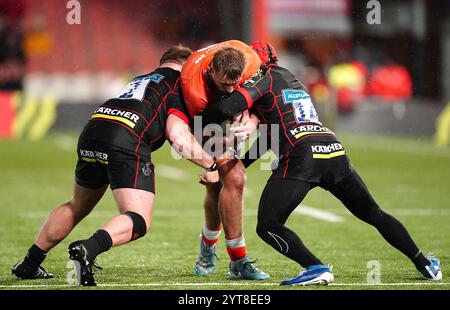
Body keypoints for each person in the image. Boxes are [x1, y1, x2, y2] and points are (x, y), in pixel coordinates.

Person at [200, 41, 442, 285]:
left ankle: (315, 267)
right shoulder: (294, 81)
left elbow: (227, 108)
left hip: (303, 154)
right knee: (373, 213)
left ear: (253, 63)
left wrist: (197, 112)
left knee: (268, 226)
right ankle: (426, 264)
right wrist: (230, 168)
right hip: (333, 150)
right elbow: (269, 136)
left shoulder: (263, 78)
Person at [11, 45, 219, 286]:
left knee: (77, 205)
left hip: (94, 129)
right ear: (187, 63)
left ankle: (29, 263)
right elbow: (178, 136)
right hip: (126, 139)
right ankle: (88, 249)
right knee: (138, 220)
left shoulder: (142, 78)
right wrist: (211, 164)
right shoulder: (180, 83)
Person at [180, 40, 269, 280]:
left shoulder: (250, 60)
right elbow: (203, 128)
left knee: (233, 179)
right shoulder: (195, 90)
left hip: (224, 105)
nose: (230, 91)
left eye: (235, 84)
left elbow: (264, 100)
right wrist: (214, 164)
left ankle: (233, 259)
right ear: (211, 71)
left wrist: (252, 120)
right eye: (224, 84)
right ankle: (216, 251)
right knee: (221, 181)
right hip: (204, 116)